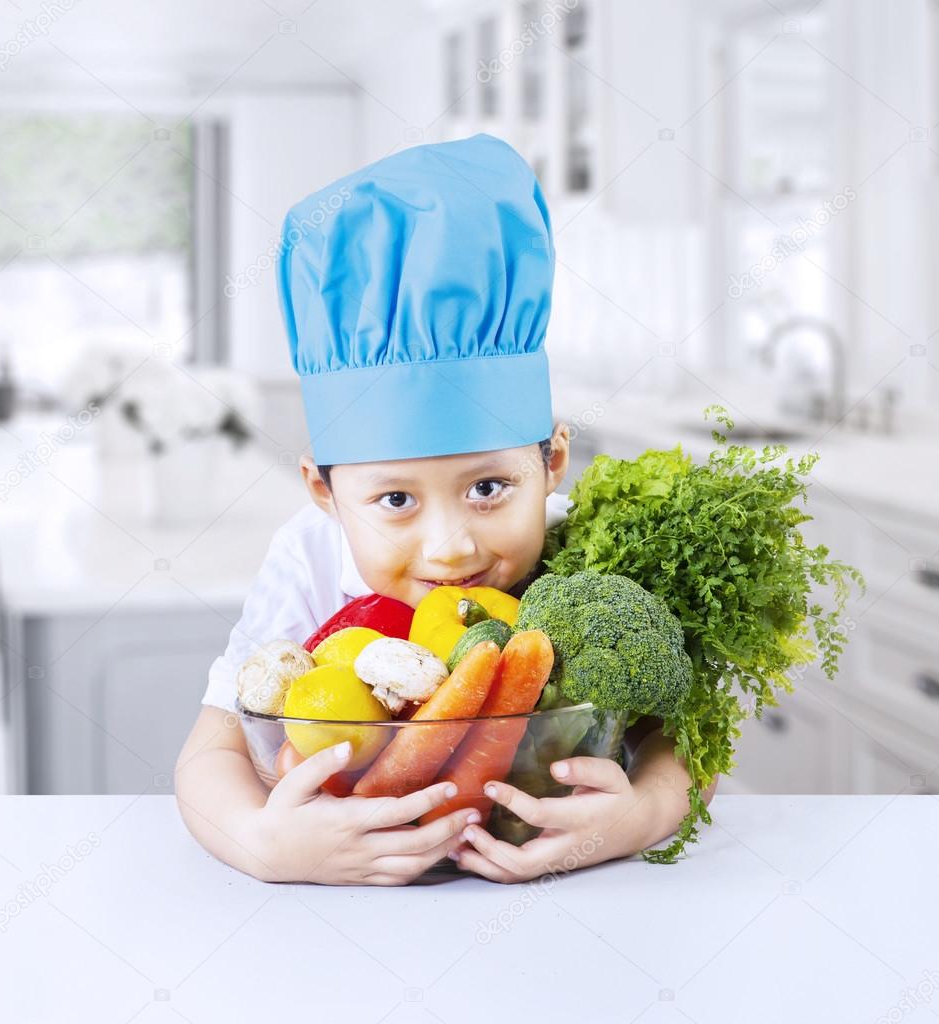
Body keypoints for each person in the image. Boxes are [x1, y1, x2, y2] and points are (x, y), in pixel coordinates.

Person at [175, 134, 716, 886]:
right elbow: (209, 755)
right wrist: (258, 843)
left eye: (489, 488)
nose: (452, 547)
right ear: (324, 493)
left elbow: (689, 744)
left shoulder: (586, 553)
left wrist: (645, 814)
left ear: (552, 462)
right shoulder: (308, 558)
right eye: (395, 500)